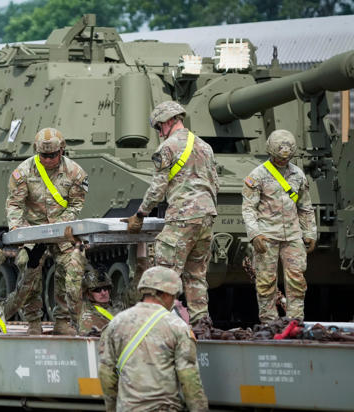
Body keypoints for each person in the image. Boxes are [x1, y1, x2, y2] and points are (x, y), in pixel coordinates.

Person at [124, 101, 219, 328]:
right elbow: (215, 183)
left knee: (164, 274)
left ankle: (158, 326)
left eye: (158, 127)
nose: (158, 132)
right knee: (196, 275)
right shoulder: (205, 146)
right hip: (206, 218)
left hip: (182, 218)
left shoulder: (166, 148)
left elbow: (158, 188)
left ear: (168, 122)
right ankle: (201, 324)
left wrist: (140, 214)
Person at [6, 127, 89, 335]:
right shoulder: (23, 173)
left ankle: (62, 320)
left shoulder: (75, 173)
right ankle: (33, 320)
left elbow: (76, 204)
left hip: (61, 231)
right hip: (33, 231)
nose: (48, 159)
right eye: (43, 155)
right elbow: (15, 205)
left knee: (69, 268)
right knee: (28, 267)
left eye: (52, 155)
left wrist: (60, 225)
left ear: (61, 151)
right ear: (37, 152)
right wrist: (18, 230)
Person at [99, 266, 208, 412]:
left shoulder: (117, 323)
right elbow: (189, 377)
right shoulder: (177, 326)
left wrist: (113, 408)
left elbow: (106, 373)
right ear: (166, 294)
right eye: (175, 295)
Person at [242, 129, 316, 323]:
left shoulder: (298, 175)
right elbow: (249, 208)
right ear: (270, 152)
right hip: (267, 236)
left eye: (287, 157)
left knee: (297, 282)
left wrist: (310, 233)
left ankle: (295, 322)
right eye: (279, 157)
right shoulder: (257, 175)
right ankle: (268, 323)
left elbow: (305, 207)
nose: (283, 161)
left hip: (293, 236)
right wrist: (255, 234)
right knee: (266, 283)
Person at [77, 270, 118, 336]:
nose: (103, 293)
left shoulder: (118, 304)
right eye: (97, 290)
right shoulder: (87, 314)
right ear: (88, 294)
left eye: (106, 288)